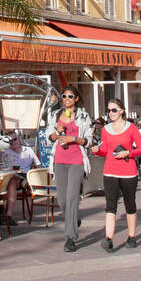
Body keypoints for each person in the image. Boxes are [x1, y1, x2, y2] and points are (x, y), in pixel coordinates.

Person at [92, 98, 141, 251]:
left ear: (122, 111)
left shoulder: (132, 128)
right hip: (110, 171)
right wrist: (97, 150)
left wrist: (128, 152)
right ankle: (108, 238)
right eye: (108, 110)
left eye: (114, 110)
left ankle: (132, 236)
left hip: (128, 171)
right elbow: (104, 150)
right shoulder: (105, 129)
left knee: (130, 203)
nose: (111, 113)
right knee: (110, 205)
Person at [48, 86, 91, 252]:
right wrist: (56, 134)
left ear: (76, 99)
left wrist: (74, 138)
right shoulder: (55, 114)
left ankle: (70, 237)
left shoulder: (84, 116)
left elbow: (88, 141)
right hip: (58, 160)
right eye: (64, 96)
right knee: (62, 201)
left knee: (73, 197)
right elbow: (49, 136)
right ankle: (74, 219)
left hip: (76, 160)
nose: (66, 99)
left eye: (70, 96)